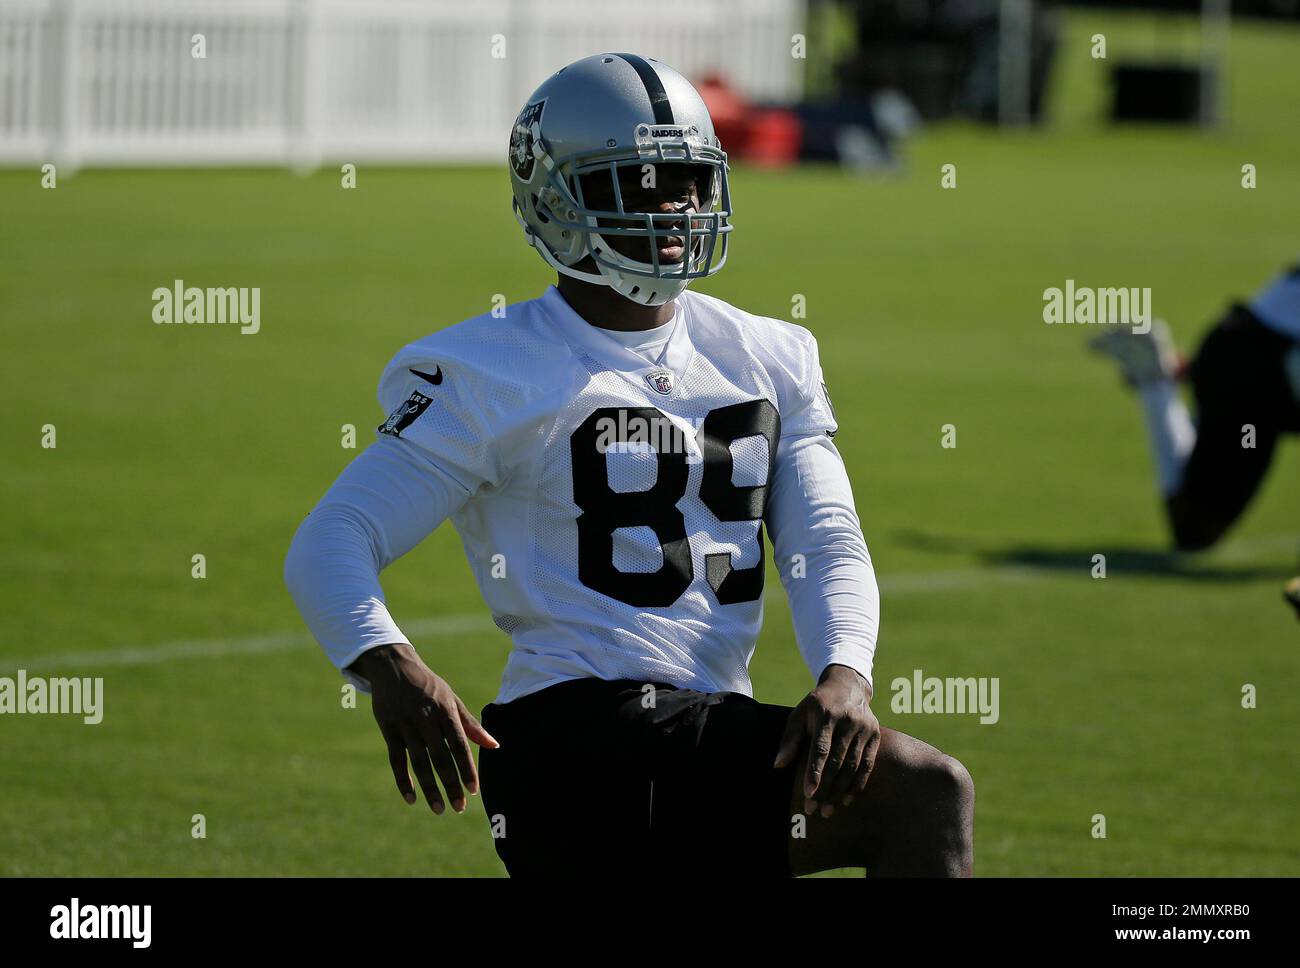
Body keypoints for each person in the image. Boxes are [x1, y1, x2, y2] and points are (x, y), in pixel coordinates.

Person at [285, 53, 974, 877]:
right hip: (572, 738)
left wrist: (846, 673)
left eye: (688, 181)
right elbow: (335, 538)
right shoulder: (490, 368)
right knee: (924, 792)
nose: (676, 207)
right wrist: (391, 666)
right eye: (641, 184)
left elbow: (825, 538)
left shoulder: (768, 352)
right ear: (556, 197)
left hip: (703, 728)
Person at [1090, 264, 1300, 617]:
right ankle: (1155, 379)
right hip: (1253, 373)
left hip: (1246, 354)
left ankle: (1159, 374)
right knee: (1195, 527)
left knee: (1196, 529)